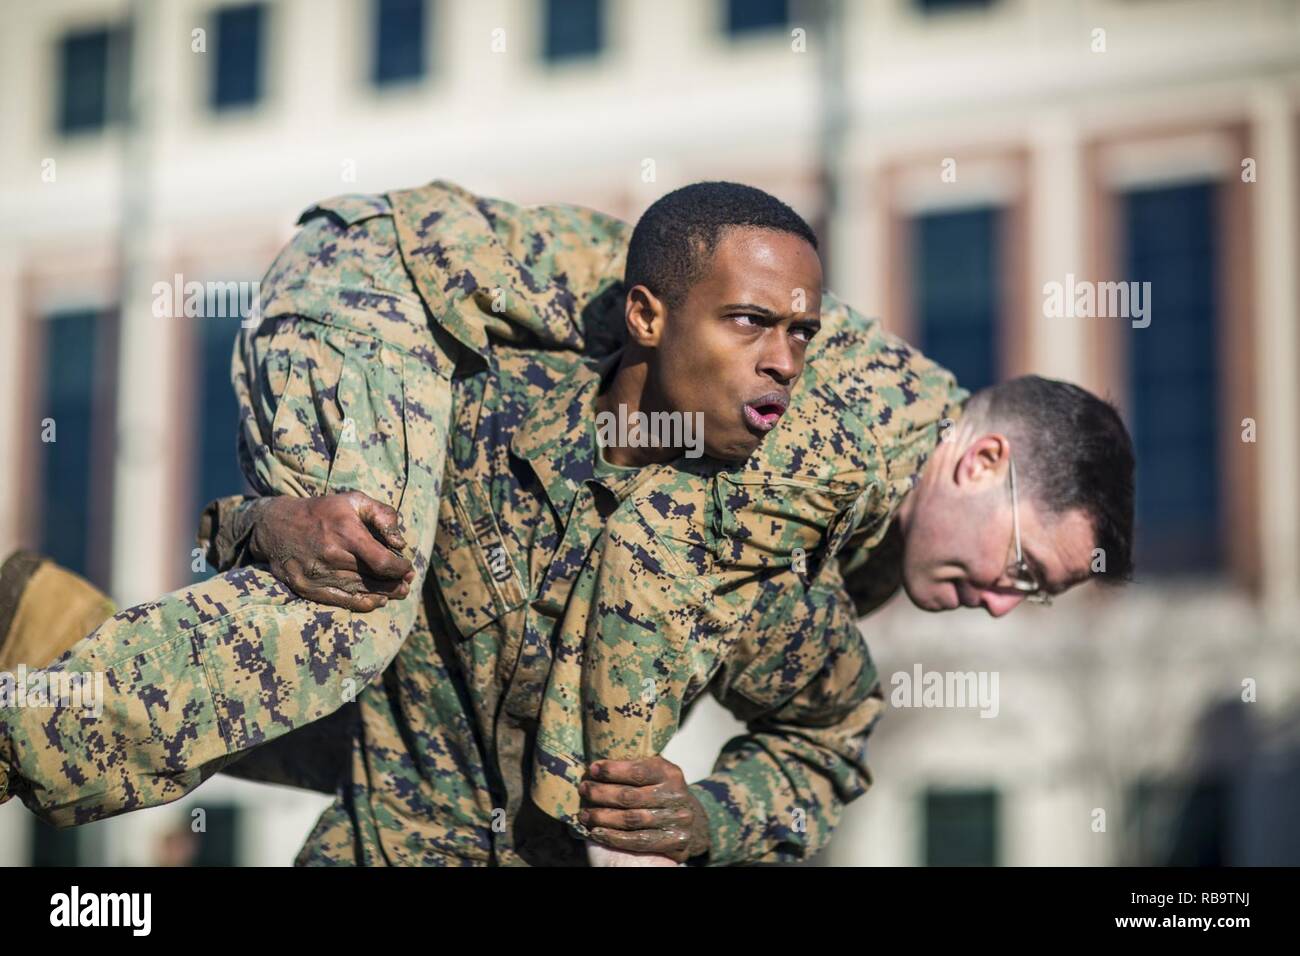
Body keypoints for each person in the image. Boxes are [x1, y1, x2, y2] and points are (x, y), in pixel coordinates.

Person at [0, 181, 1135, 866]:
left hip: (473, 406)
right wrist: (617, 815)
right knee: (356, 600)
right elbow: (649, 574)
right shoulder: (829, 433)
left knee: (414, 713)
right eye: (1022, 569)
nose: (1002, 605)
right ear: (979, 459)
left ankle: (52, 636)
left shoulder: (873, 533)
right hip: (378, 290)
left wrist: (710, 816)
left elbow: (818, 728)